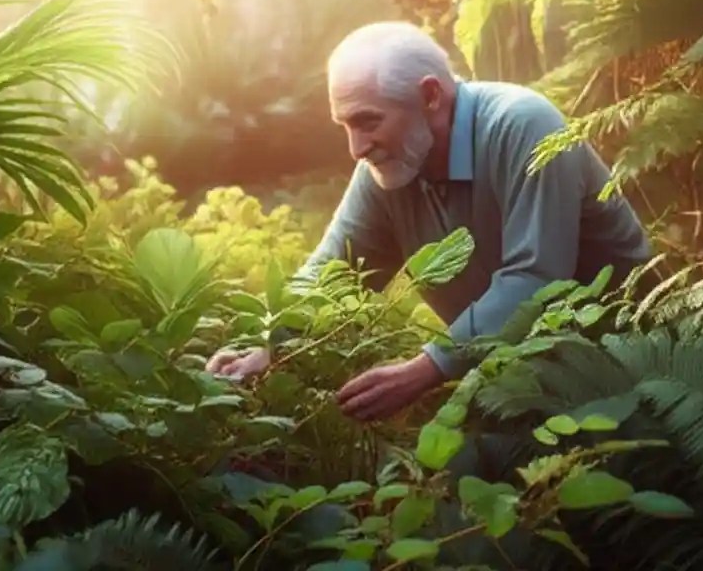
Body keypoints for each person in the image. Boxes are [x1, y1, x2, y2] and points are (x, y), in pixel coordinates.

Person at [205, 21, 651, 422]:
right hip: (525, 380)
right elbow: (330, 273)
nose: (356, 148)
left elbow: (535, 278)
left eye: (367, 121)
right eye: (345, 126)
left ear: (431, 95)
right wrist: (270, 344)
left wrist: (428, 367)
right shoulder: (386, 169)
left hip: (640, 368)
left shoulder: (523, 125)